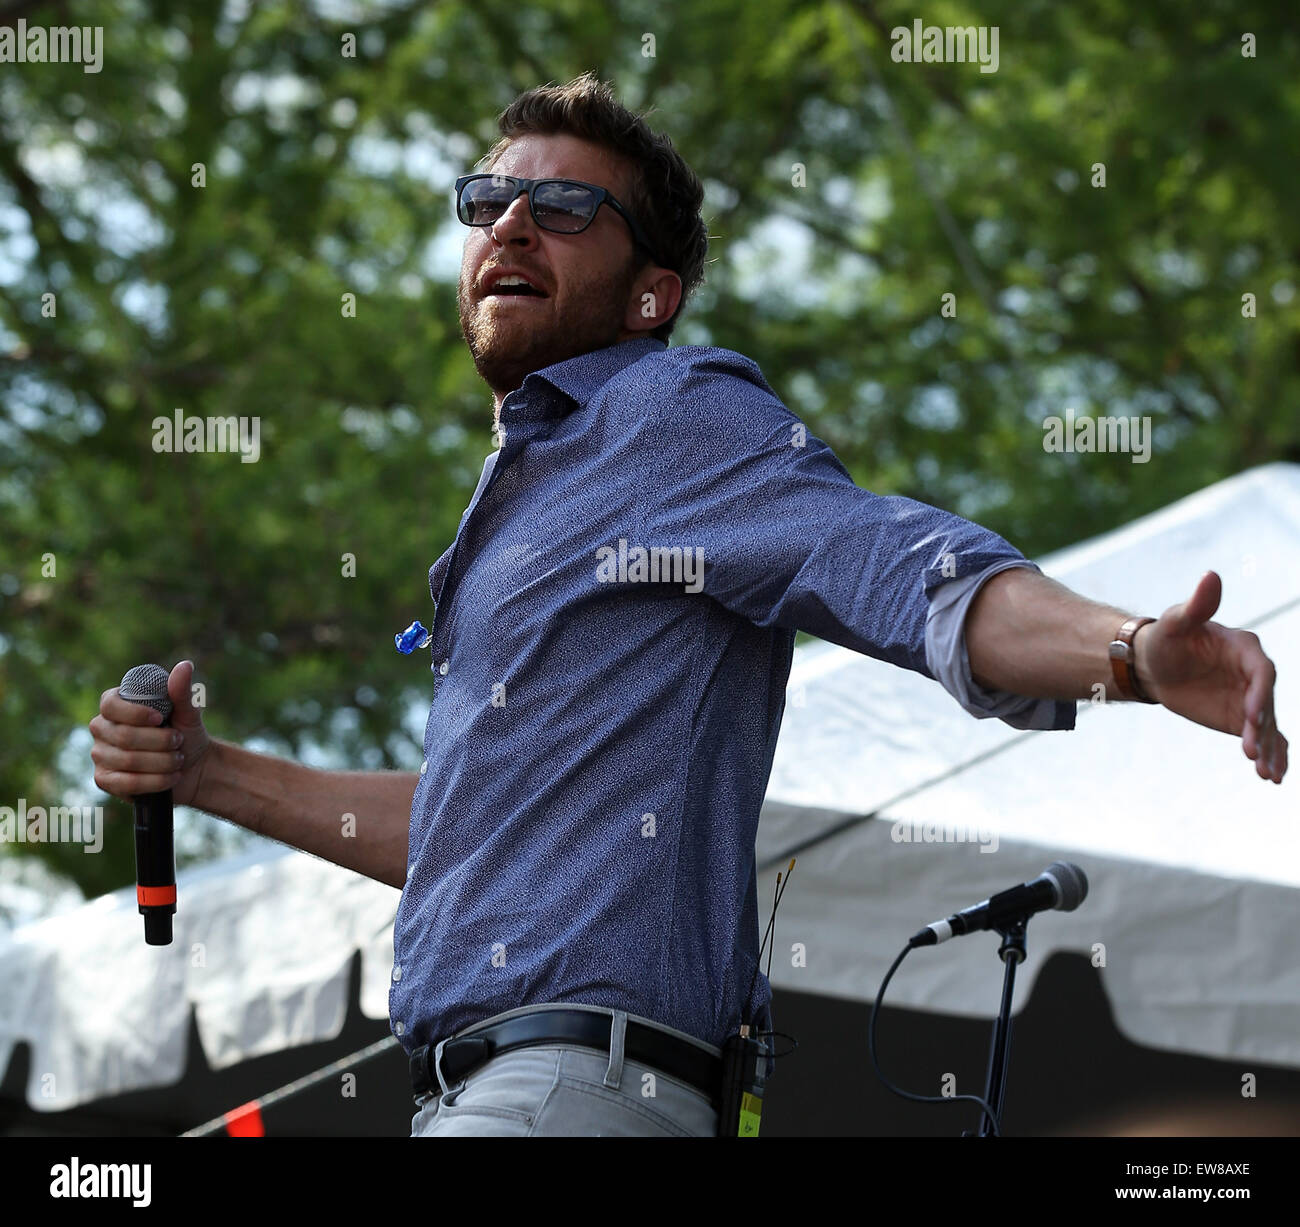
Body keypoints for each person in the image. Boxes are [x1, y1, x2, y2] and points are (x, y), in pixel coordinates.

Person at [89, 73, 1287, 1138]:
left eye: (564, 209)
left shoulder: (669, 421)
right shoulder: (534, 487)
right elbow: (475, 834)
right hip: (509, 1093)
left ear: (652, 295)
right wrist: (204, 775)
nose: (510, 223)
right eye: (489, 201)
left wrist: (1124, 651)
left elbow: (884, 555)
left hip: (567, 1090)